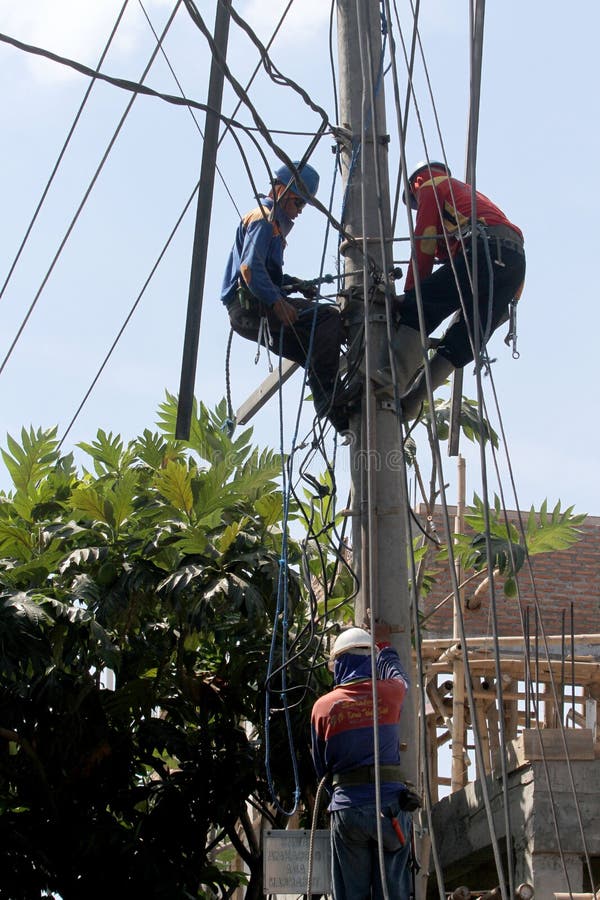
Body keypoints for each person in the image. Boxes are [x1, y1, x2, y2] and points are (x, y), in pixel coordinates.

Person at [221, 161, 357, 433]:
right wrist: (278, 302)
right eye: (297, 203)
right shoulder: (264, 218)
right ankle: (330, 401)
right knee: (327, 318)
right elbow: (250, 269)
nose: (298, 212)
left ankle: (340, 414)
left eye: (303, 206)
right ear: (280, 190)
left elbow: (266, 273)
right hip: (252, 308)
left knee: (315, 347)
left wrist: (294, 284)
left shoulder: (272, 226)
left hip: (252, 309)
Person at [398, 160, 526, 419]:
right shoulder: (469, 197)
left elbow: (425, 239)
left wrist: (412, 296)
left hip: (485, 251)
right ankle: (414, 399)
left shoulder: (431, 186)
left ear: (415, 185)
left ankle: (388, 380)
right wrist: (507, 304)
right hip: (512, 263)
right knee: (463, 340)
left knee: (421, 308)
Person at [310, 623, 414, 899]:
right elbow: (400, 676)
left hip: (347, 809)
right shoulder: (391, 692)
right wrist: (385, 645)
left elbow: (322, 768)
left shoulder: (323, 707)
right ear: (371, 661)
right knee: (393, 891)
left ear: (339, 664)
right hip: (389, 808)